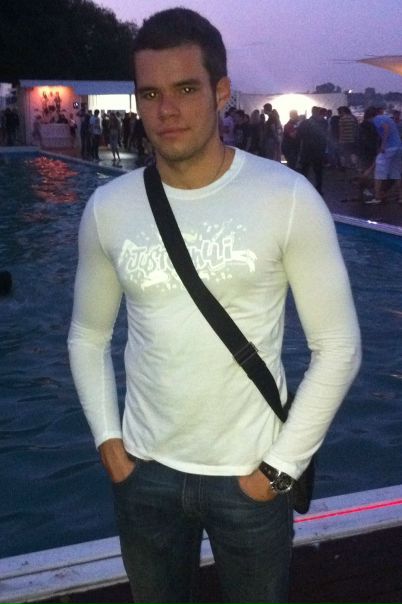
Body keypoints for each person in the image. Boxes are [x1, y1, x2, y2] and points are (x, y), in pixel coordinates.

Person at [68, 8, 361, 604]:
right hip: (143, 469)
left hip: (250, 474)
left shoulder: (286, 199)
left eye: (185, 89)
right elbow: (87, 336)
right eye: (150, 93)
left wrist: (277, 470)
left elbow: (339, 348)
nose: (166, 111)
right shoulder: (109, 209)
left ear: (221, 92)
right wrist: (109, 442)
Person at [367, 105, 402, 205]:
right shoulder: (386, 118)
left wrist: (383, 145)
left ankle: (377, 197)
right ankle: (400, 197)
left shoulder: (377, 119)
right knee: (396, 173)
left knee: (378, 172)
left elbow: (386, 128)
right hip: (398, 147)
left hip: (389, 148)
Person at [297, 106, 328, 194]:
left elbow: (299, 135)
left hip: (307, 149)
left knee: (304, 171)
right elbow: (325, 136)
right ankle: (318, 190)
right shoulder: (323, 123)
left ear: (312, 112)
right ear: (318, 112)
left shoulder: (305, 123)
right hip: (318, 150)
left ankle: (303, 189)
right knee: (318, 172)